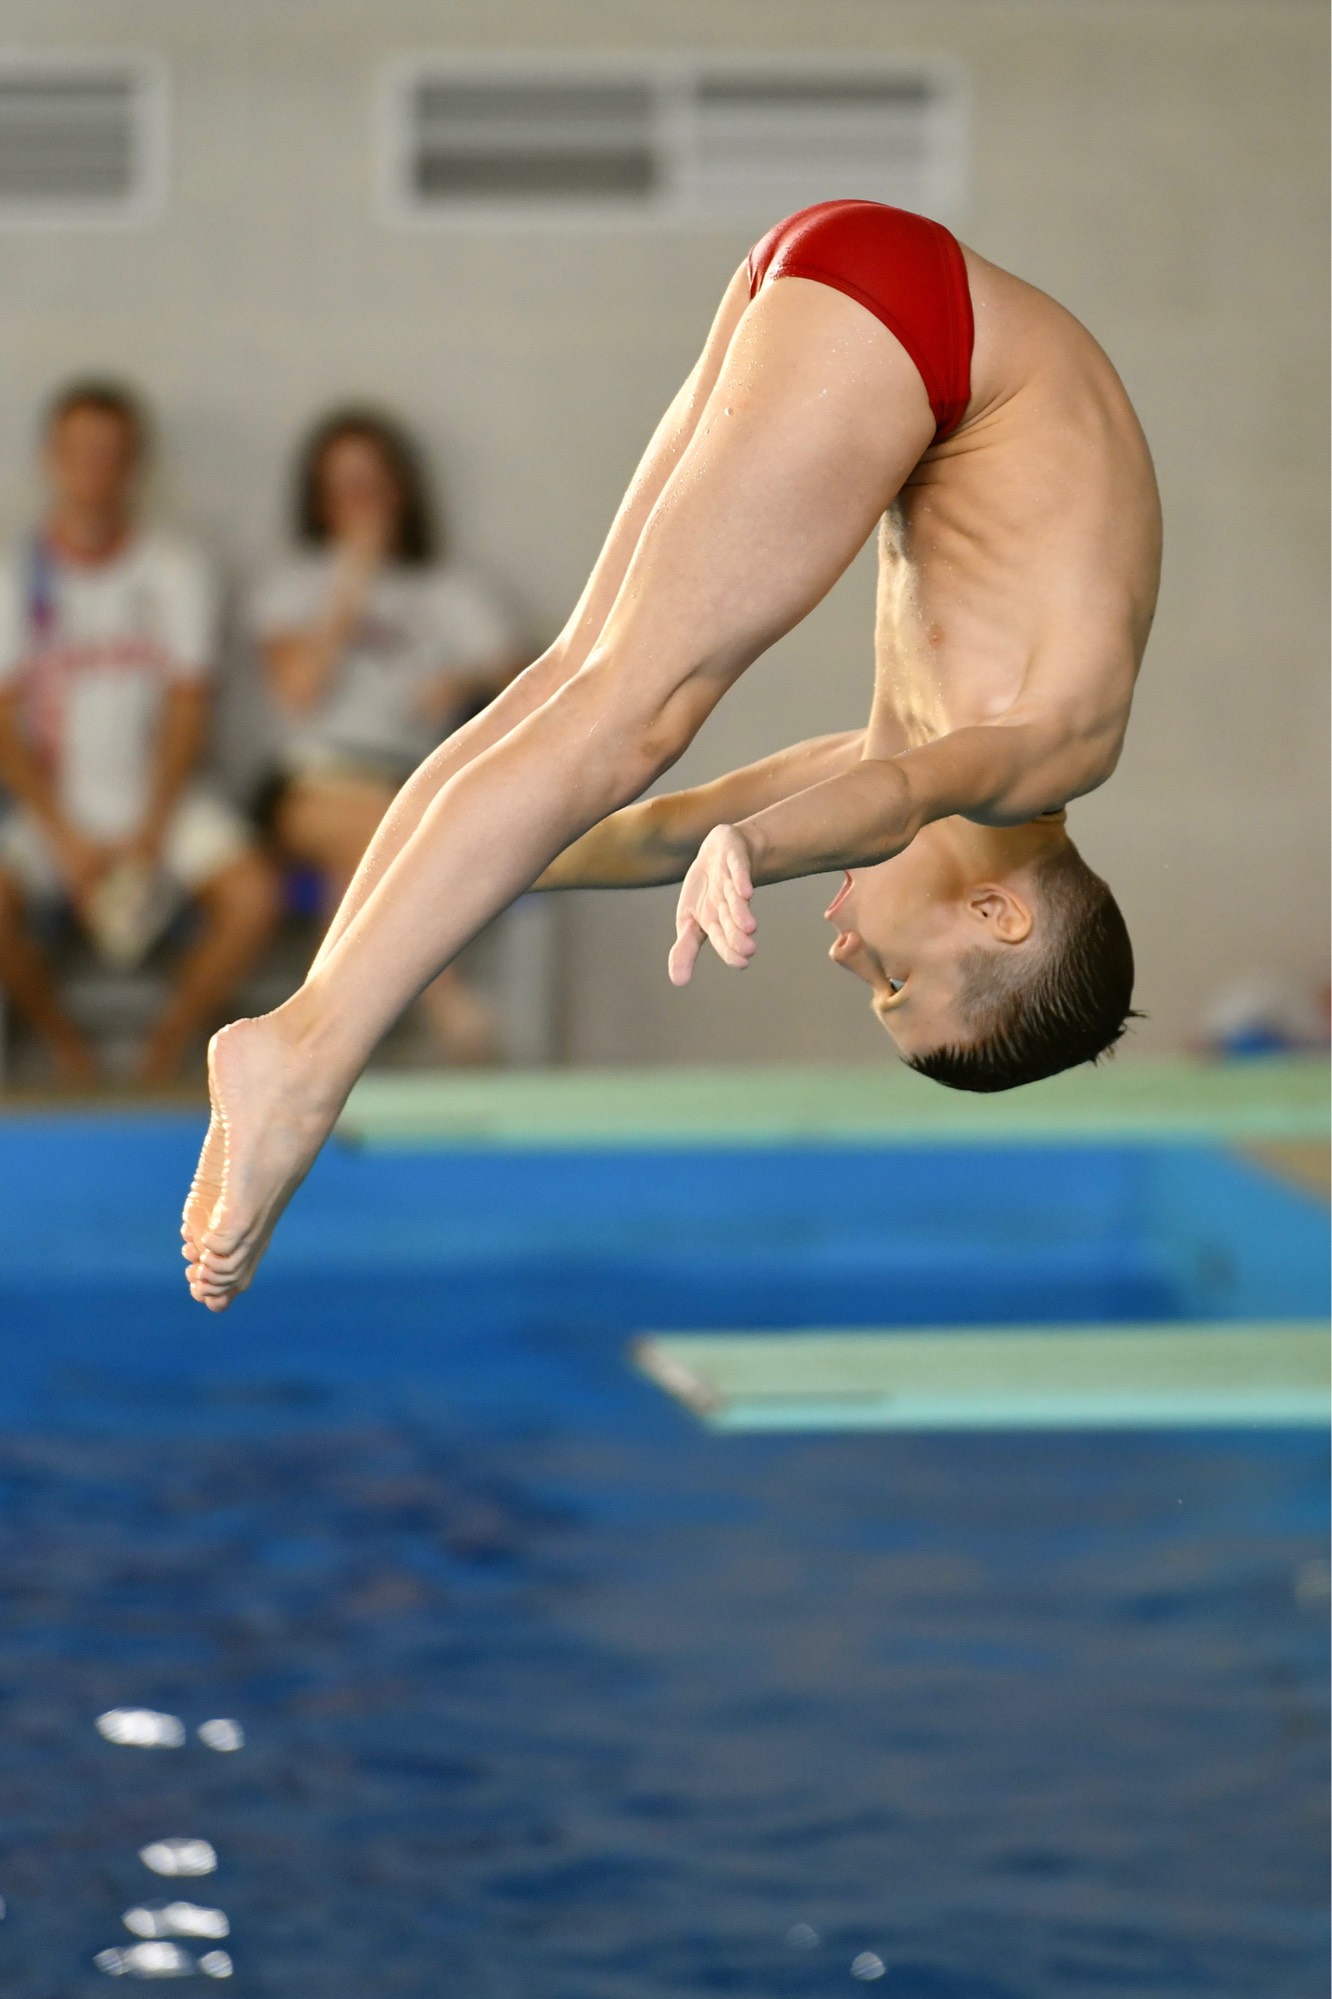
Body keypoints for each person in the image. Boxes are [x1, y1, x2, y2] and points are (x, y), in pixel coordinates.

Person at [184, 198, 1161, 1310]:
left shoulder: (964, 752)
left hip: (849, 285)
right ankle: (306, 1067)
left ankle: (303, 1028)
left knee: (569, 685)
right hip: (914, 329)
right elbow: (886, 801)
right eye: (896, 981)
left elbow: (652, 831)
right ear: (999, 916)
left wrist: (473, 874)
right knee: (636, 714)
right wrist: (751, 842)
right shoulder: (1057, 751)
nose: (847, 958)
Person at [0, 380, 278, 1086]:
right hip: (55, 809)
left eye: (111, 453)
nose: (94, 470)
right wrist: (62, 836)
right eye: (80, 452)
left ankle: (167, 1048)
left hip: (165, 799)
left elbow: (190, 706)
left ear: (135, 465)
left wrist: (152, 829)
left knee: (254, 897)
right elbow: (5, 720)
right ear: (51, 460)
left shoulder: (176, 569)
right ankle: (68, 1049)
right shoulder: (12, 577)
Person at [250, 408, 524, 1062]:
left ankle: (325, 1037)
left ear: (399, 490)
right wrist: (351, 579)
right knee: (388, 830)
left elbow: (526, 672)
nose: (357, 502)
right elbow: (298, 690)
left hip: (409, 780)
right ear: (319, 500)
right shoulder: (294, 584)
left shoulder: (447, 589)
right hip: (312, 781)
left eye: (369, 484)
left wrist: (465, 677)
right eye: (341, 488)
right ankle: (445, 997)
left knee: (371, 852)